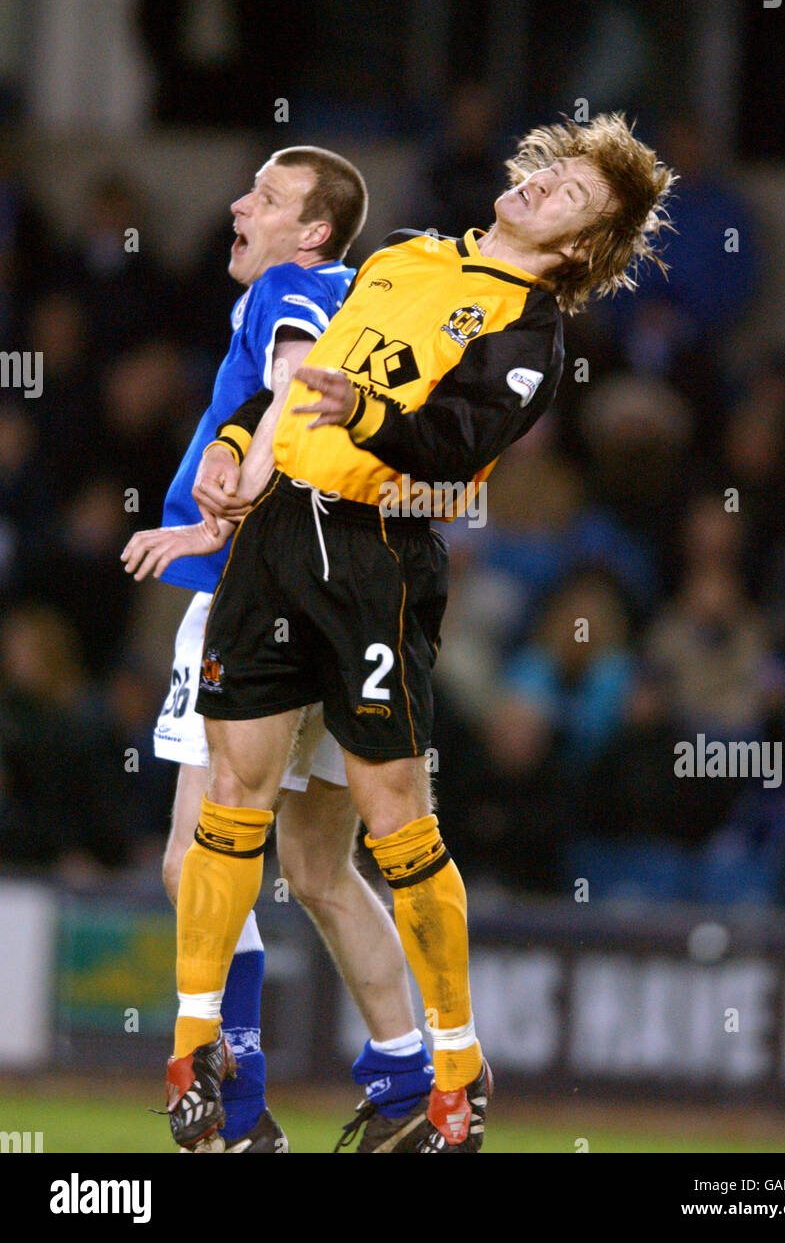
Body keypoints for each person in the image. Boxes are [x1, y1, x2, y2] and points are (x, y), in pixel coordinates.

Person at [125, 113, 674, 1153]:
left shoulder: (527, 334)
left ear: (579, 249)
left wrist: (351, 415)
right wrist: (242, 440)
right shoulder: (405, 255)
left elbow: (444, 448)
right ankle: (323, 1078)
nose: (545, 185)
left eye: (570, 197)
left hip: (376, 559)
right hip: (281, 541)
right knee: (296, 852)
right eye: (550, 169)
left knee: (378, 830)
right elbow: (293, 390)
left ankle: (443, 1079)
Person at [122, 146, 435, 1153]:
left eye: (263, 196)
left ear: (310, 230)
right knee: (320, 866)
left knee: (196, 857)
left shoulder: (289, 289)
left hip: (249, 597)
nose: (236, 204)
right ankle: (408, 1086)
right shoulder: (356, 296)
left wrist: (226, 514)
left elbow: (298, 392)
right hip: (349, 604)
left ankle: (239, 1111)